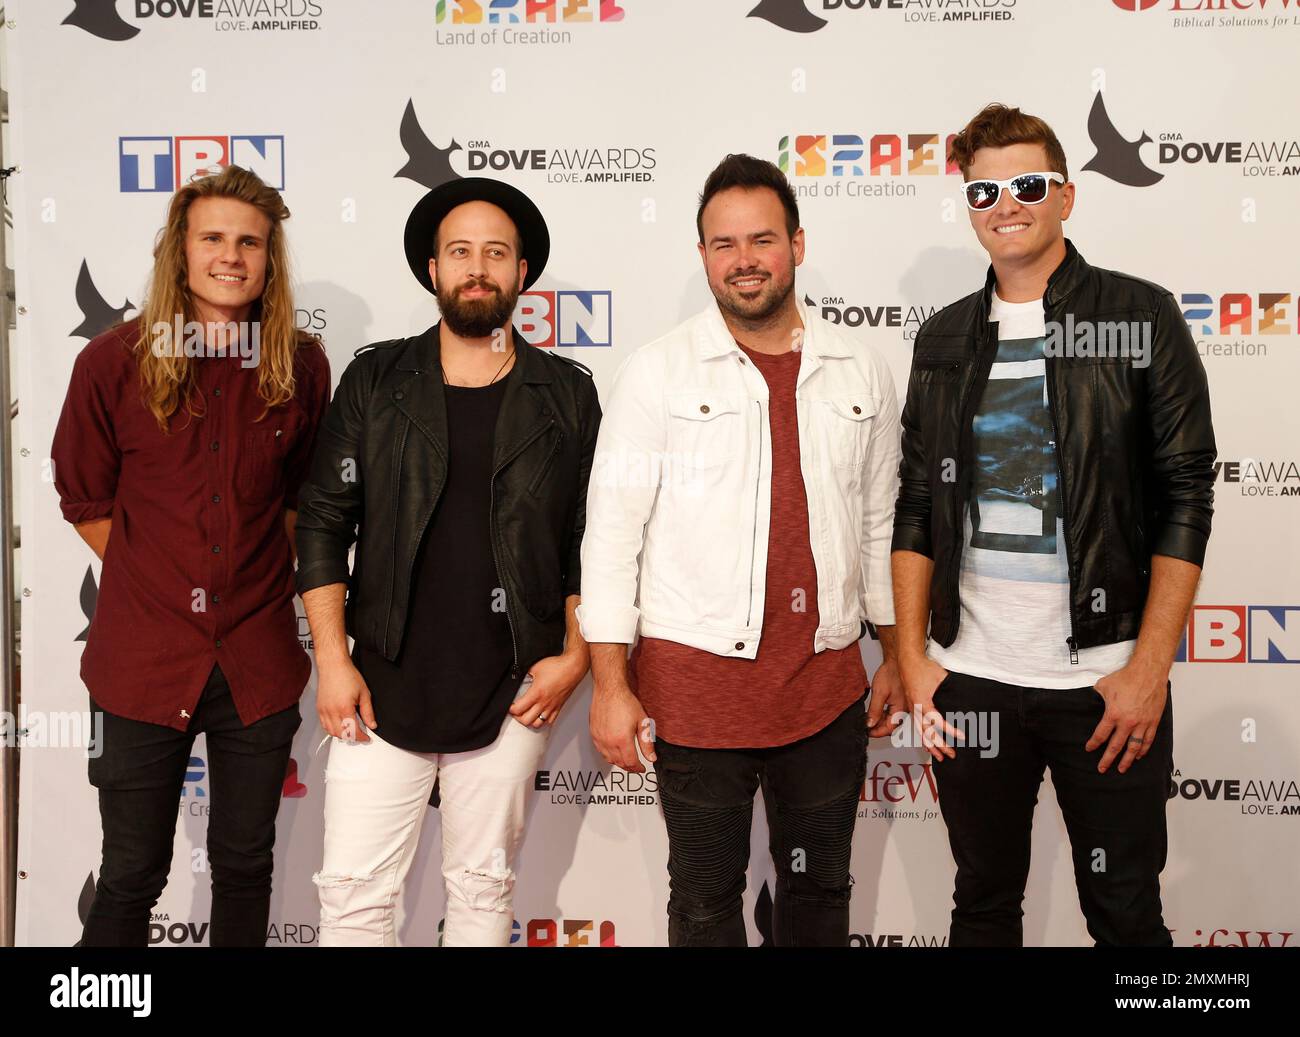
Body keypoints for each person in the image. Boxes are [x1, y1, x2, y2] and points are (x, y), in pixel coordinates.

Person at [891, 103, 1216, 946]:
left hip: (1105, 686)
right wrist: (915, 662)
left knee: (1125, 914)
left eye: (1028, 185)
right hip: (973, 683)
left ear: (1066, 196)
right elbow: (918, 501)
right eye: (985, 190)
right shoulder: (945, 339)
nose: (1007, 203)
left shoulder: (1138, 318)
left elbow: (1186, 494)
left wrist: (1148, 668)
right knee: (984, 904)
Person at [580, 154, 903, 947]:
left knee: (820, 891)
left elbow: (880, 523)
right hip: (693, 695)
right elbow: (612, 535)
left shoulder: (859, 365)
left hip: (826, 689)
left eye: (762, 238)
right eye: (724, 244)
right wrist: (611, 685)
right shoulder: (655, 373)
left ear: (797, 243)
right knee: (703, 901)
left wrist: (895, 650)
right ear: (702, 258)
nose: (745, 259)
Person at [295, 177, 599, 946]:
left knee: (482, 895)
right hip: (380, 683)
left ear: (521, 273)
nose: (477, 267)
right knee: (354, 901)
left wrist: (576, 656)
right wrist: (333, 661)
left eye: (495, 253)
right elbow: (325, 523)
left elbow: (589, 541)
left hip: (511, 688)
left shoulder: (566, 395)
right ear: (432, 269)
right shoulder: (374, 381)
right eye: (459, 251)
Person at [53, 165, 329, 946]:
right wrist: (159, 579)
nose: (231, 255)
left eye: (250, 241)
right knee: (132, 870)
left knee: (245, 863)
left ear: (270, 259)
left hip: (257, 662)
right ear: (181, 251)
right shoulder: (112, 362)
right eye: (213, 237)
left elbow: (296, 505)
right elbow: (84, 500)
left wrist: (239, 581)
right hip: (140, 664)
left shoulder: (301, 366)